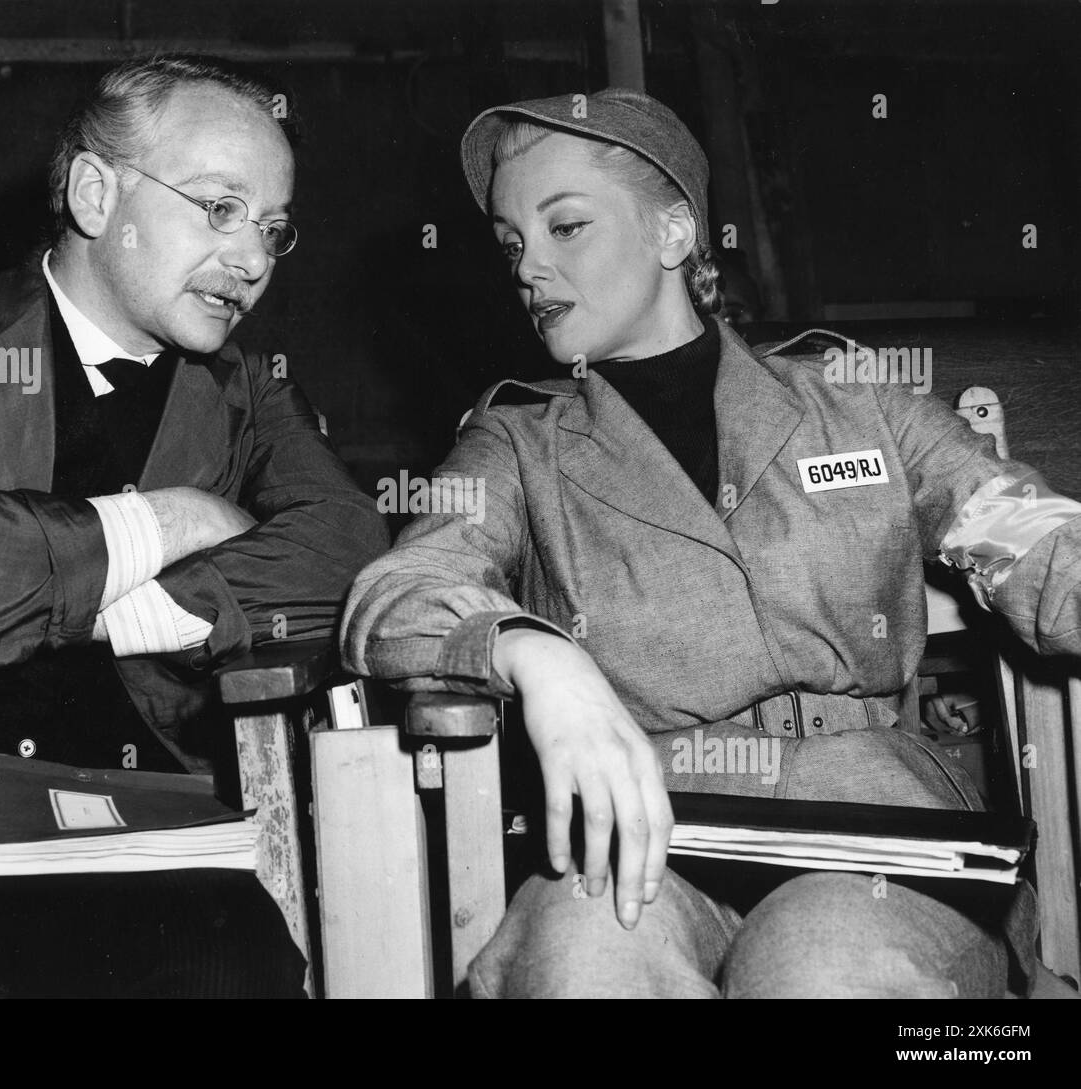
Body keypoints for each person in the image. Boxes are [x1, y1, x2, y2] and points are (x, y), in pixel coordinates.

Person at [342, 88, 1081, 998]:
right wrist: (530, 652)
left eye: (564, 226)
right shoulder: (517, 442)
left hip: (873, 825)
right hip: (641, 831)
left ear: (673, 233)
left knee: (824, 971)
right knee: (576, 967)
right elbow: (400, 593)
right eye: (510, 243)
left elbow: (1028, 537)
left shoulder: (855, 401)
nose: (528, 267)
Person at [0, 54, 387, 997]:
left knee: (235, 978)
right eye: (221, 209)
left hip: (129, 804)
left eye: (273, 228)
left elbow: (348, 542)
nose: (256, 259)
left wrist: (55, 573)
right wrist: (180, 516)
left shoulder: (248, 395)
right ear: (97, 193)